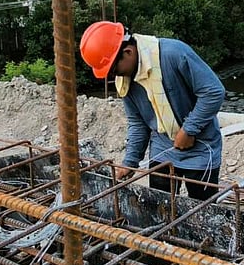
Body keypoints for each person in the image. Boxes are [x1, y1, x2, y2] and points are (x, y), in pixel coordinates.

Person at [79, 21, 224, 200]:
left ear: (128, 52)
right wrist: (130, 162)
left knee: (204, 211)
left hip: (201, 148)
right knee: (160, 205)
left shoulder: (173, 54)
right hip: (163, 149)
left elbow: (213, 92)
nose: (114, 75)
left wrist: (189, 129)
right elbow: (138, 123)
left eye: (114, 70)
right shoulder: (126, 82)